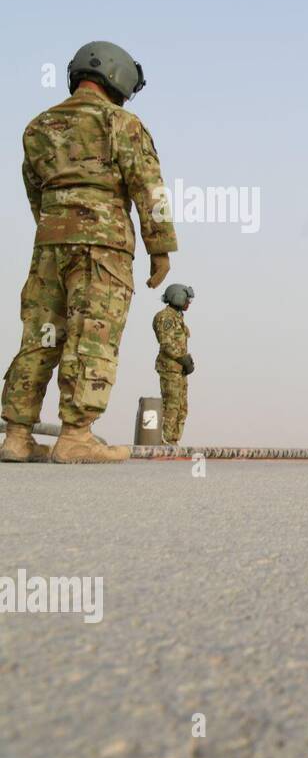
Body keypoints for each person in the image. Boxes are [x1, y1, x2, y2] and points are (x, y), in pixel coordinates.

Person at [1, 41, 176, 464]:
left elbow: (35, 191)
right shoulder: (122, 123)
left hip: (49, 244)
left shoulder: (37, 127)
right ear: (116, 77)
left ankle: (17, 436)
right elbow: (148, 187)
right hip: (103, 245)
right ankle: (76, 435)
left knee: (41, 335)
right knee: (92, 335)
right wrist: (161, 246)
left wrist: (56, 226)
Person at [153, 284, 195, 443]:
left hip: (179, 370)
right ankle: (164, 440)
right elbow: (166, 343)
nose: (188, 303)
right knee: (171, 406)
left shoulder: (177, 317)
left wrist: (186, 362)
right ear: (177, 297)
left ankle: (173, 441)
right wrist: (182, 358)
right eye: (186, 299)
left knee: (182, 408)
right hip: (170, 368)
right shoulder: (165, 317)